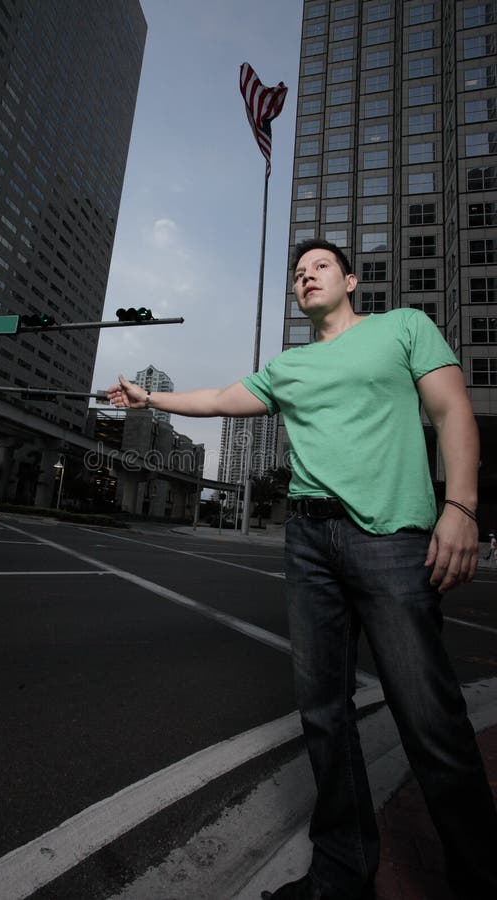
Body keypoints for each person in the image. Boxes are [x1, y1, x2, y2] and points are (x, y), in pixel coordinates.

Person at [107, 238, 497, 900]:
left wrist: (460, 506)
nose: (305, 277)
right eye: (297, 273)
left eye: (319, 268)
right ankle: (341, 874)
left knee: (429, 716)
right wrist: (152, 399)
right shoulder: (289, 368)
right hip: (310, 541)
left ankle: (482, 876)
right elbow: (223, 397)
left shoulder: (404, 327)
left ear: (349, 280)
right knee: (323, 714)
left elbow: (451, 408)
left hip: (393, 540)